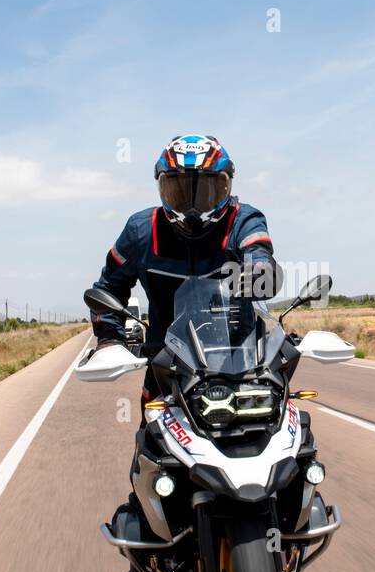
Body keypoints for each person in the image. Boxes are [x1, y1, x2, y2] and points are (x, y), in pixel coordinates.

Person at [89, 134, 277, 406]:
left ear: (225, 186)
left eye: (205, 191)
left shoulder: (243, 220)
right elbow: (107, 289)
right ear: (163, 188)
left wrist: (259, 271)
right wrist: (110, 341)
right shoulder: (141, 230)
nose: (192, 206)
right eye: (180, 191)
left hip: (242, 366)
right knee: (151, 440)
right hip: (168, 369)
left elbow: (258, 252)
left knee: (288, 428)